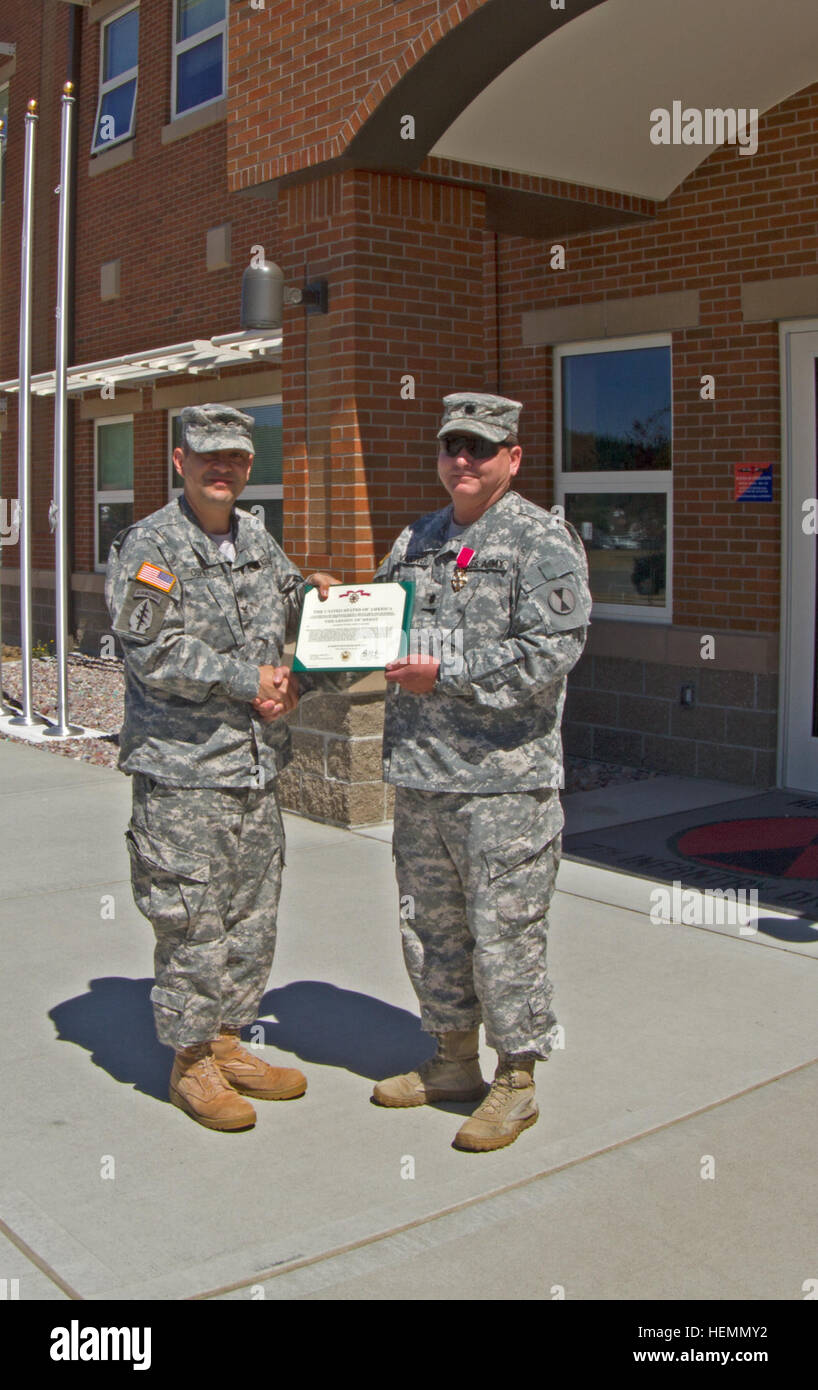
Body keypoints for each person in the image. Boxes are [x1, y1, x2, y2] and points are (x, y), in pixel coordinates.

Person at [370, 392, 591, 1152]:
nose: (463, 460)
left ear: (513, 458)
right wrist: (328, 613)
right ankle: (451, 1061)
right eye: (452, 446)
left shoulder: (540, 541)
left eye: (481, 448)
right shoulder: (417, 538)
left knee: (506, 936)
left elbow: (551, 652)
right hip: (423, 778)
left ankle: (517, 1080)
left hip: (504, 786)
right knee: (431, 930)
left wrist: (448, 674)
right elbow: (376, 624)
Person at [105, 403, 334, 1132]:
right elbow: (153, 651)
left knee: (250, 913)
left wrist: (322, 596)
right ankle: (190, 1062)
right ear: (180, 462)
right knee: (192, 916)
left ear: (248, 465)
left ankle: (229, 1039)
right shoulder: (152, 545)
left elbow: (288, 602)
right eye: (208, 455)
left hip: (255, 769)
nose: (222, 468)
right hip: (185, 774)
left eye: (235, 456)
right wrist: (249, 681)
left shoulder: (258, 541)